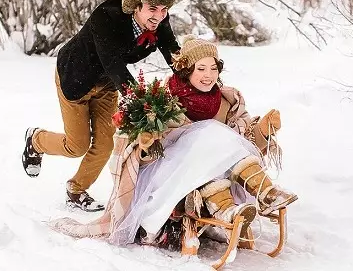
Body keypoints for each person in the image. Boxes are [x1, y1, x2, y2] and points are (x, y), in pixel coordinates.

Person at [48, 37, 298, 248]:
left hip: (214, 170)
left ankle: (262, 195)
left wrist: (263, 131)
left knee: (219, 139)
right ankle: (226, 210)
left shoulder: (227, 101)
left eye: (213, 68)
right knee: (211, 132)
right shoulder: (163, 101)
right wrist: (146, 143)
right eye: (201, 69)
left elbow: (245, 142)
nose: (208, 75)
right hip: (169, 173)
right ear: (187, 69)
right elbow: (134, 153)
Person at [21, 0, 181, 212]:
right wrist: (140, 102)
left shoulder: (158, 21)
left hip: (107, 84)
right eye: (153, 8)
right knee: (77, 146)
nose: (159, 16)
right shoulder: (106, 17)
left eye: (164, 9)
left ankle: (76, 191)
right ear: (135, 5)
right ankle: (36, 141)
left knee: (106, 144)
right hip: (76, 78)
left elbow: (172, 50)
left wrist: (194, 76)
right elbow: (113, 62)